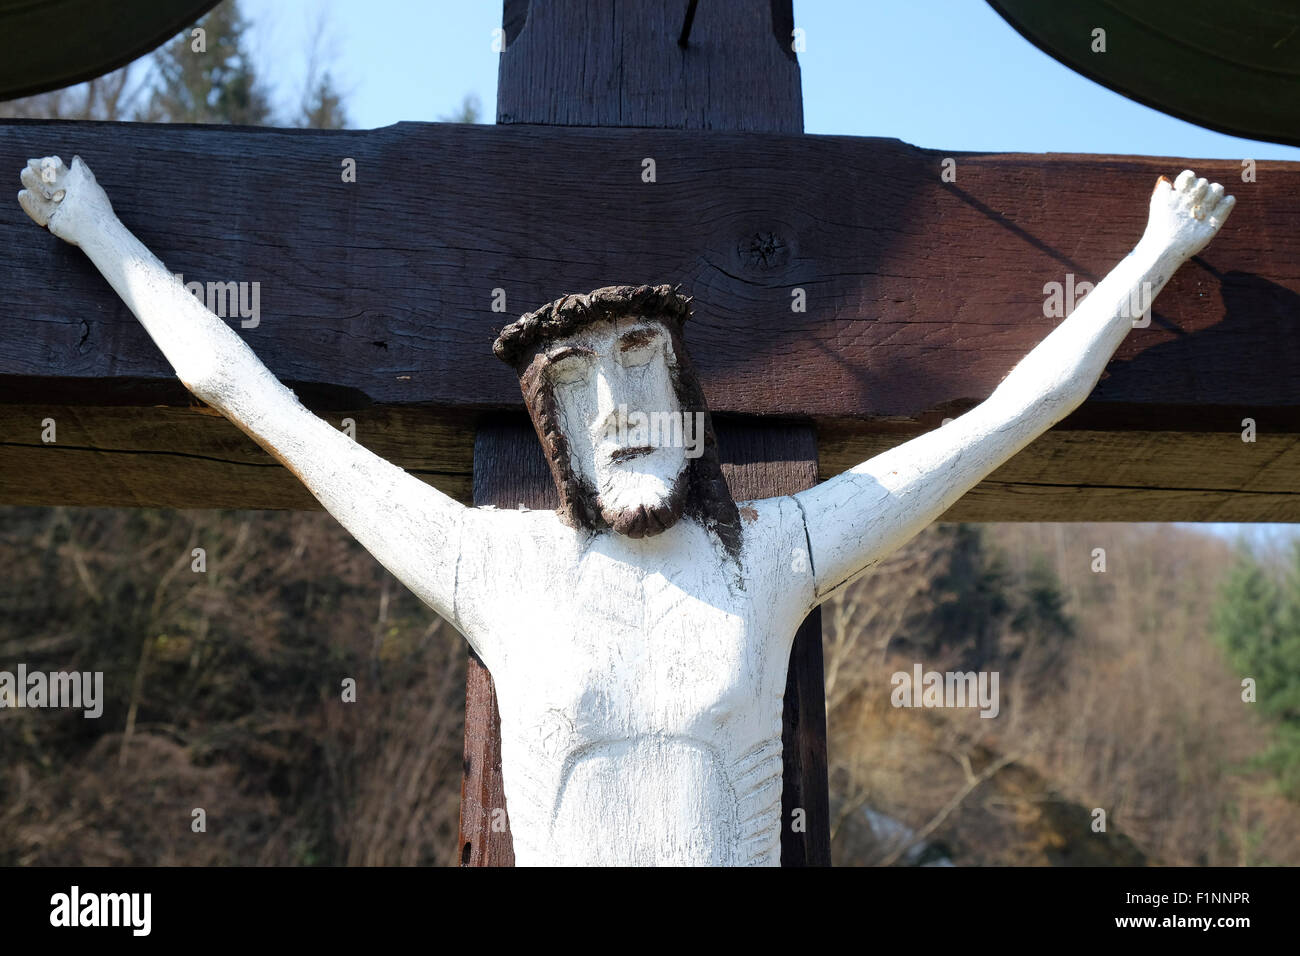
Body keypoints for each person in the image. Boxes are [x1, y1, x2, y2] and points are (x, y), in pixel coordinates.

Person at [18, 155, 1234, 865]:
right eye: (581, 383)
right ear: (552, 426)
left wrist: (1147, 258)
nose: (621, 405)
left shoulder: (780, 551)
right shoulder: (489, 565)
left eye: (643, 359)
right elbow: (257, 403)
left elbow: (1004, 418)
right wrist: (97, 228)